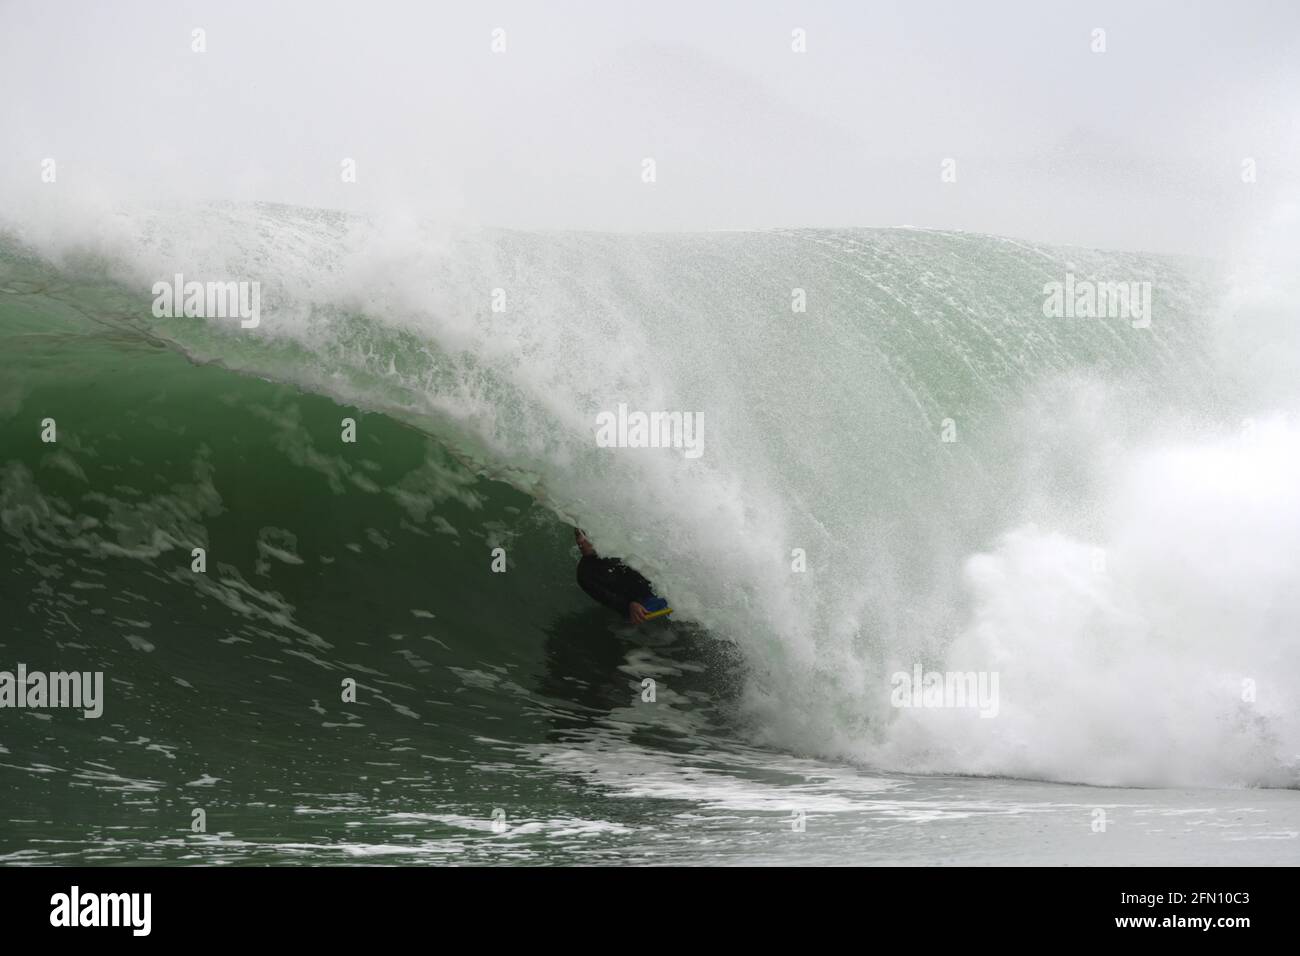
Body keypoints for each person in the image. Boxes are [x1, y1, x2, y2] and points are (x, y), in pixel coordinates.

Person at [573, 528, 660, 624]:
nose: (579, 540)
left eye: (584, 534)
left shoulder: (617, 547)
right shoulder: (585, 574)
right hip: (639, 607)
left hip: (656, 591)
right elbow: (608, 599)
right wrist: (629, 605)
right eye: (577, 535)